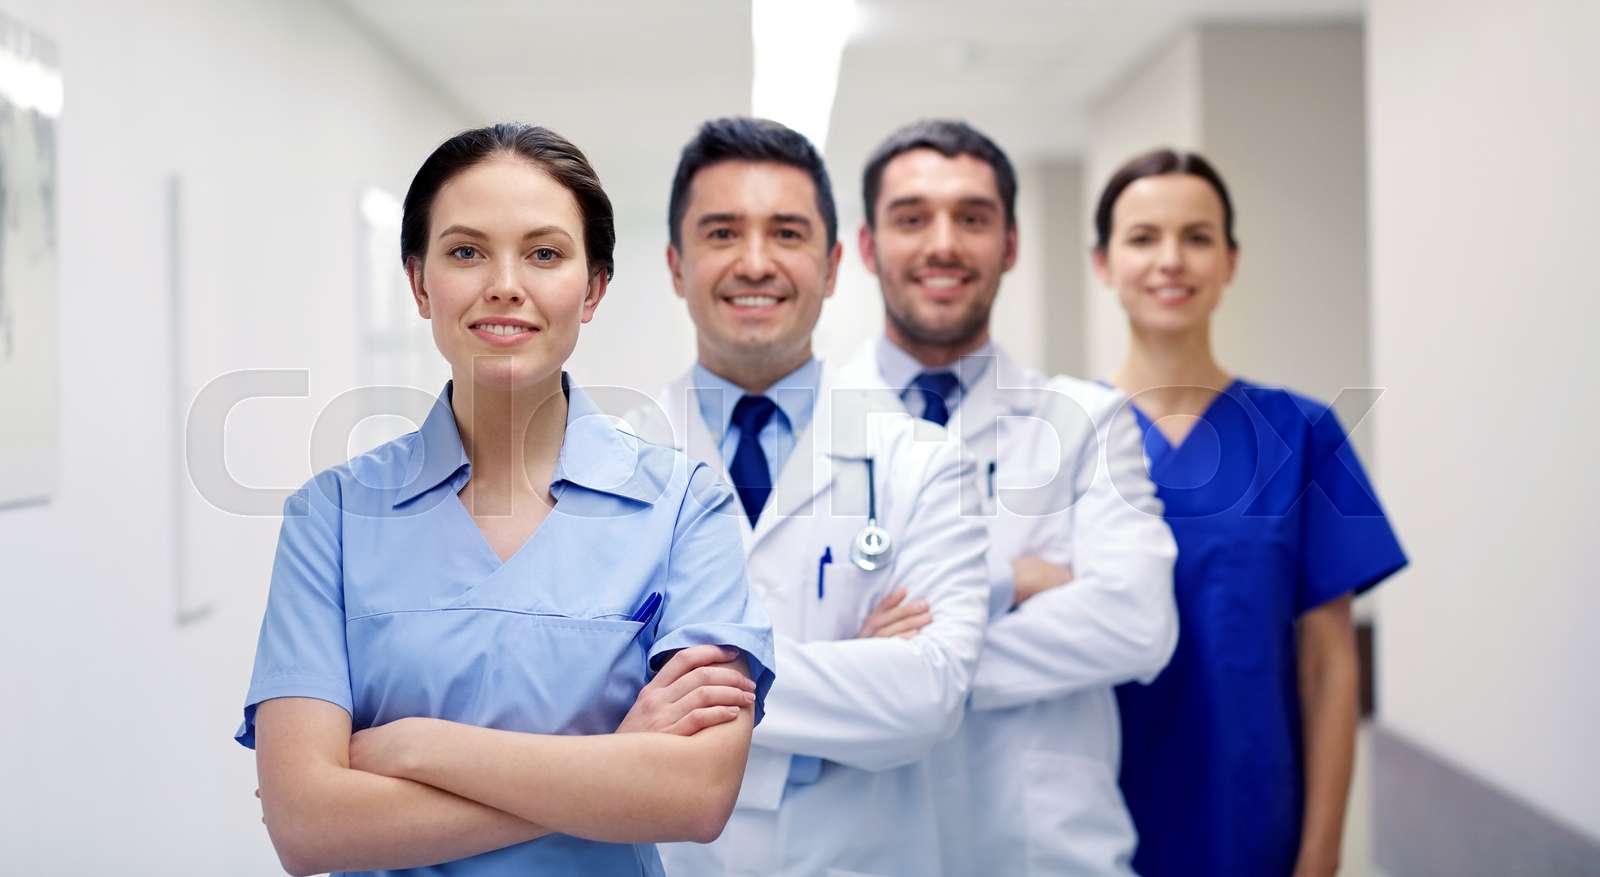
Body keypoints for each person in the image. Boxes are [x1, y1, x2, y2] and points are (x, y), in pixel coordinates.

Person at [234, 123, 775, 877]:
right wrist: (613, 765)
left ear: (592, 289)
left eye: (545, 253)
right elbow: (307, 826)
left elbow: (696, 795)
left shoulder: (685, 506)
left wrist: (416, 746)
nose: (505, 283)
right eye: (465, 251)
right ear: (420, 284)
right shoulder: (331, 518)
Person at [633, 117, 989, 877]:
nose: (755, 262)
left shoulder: (921, 459)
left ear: (831, 266)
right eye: (723, 232)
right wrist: (847, 669)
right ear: (675, 264)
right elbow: (580, 696)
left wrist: (678, 682)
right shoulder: (604, 466)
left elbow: (931, 693)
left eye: (786, 234)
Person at [836, 118, 1179, 875]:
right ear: (867, 247)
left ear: (1011, 244)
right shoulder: (806, 427)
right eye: (912, 217)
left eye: (973, 218)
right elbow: (780, 655)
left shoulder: (1086, 419)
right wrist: (1014, 581)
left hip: (1046, 851)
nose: (944, 244)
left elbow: (1138, 621)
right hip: (856, 849)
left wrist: (883, 664)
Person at [1096, 148, 1408, 877]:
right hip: (1089, 822)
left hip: (1252, 823)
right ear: (1103, 262)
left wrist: (1321, 852)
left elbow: (1331, 662)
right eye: (1143, 237)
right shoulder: (1060, 438)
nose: (1171, 260)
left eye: (1198, 237)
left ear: (1230, 261)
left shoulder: (1301, 433)